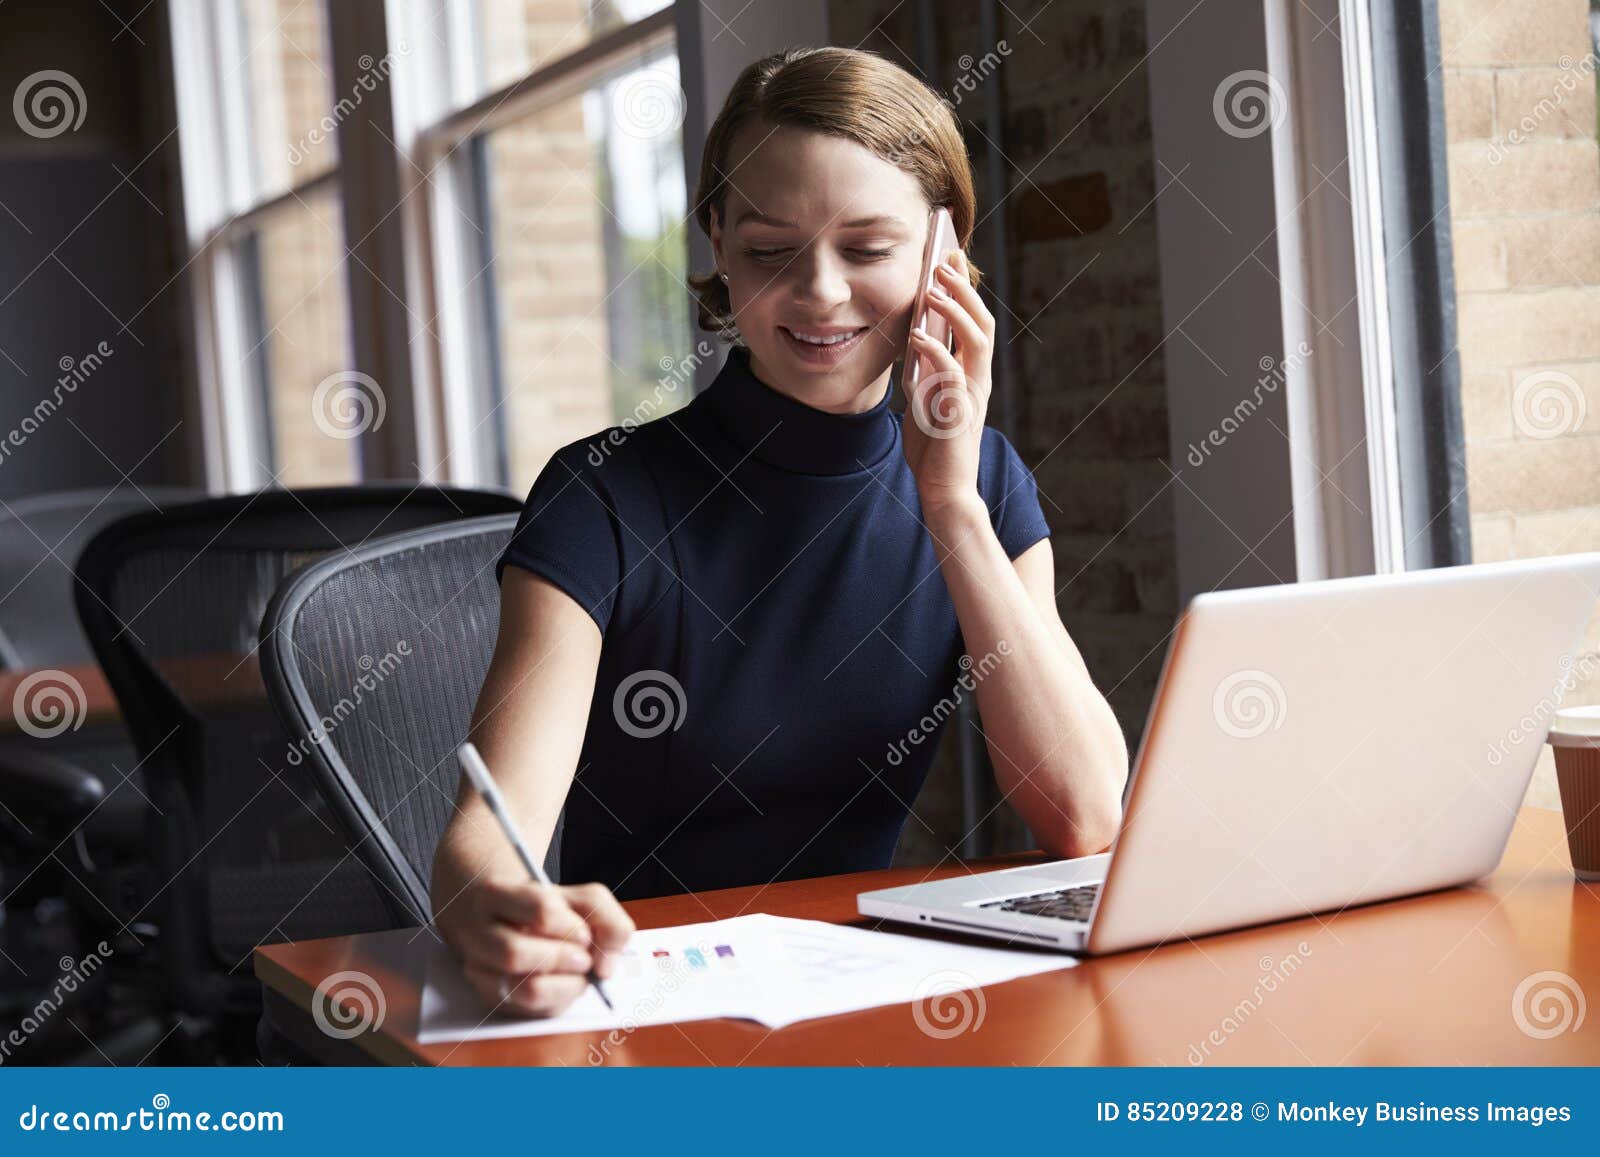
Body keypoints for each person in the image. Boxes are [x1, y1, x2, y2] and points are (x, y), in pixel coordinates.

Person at [431, 45, 1129, 1018]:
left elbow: (1087, 814)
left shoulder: (983, 484)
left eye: (867, 248)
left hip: (858, 999)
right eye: (768, 249)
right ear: (716, 239)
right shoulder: (600, 494)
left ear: (945, 248)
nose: (819, 293)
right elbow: (486, 834)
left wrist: (951, 507)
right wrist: (489, 904)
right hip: (646, 1007)